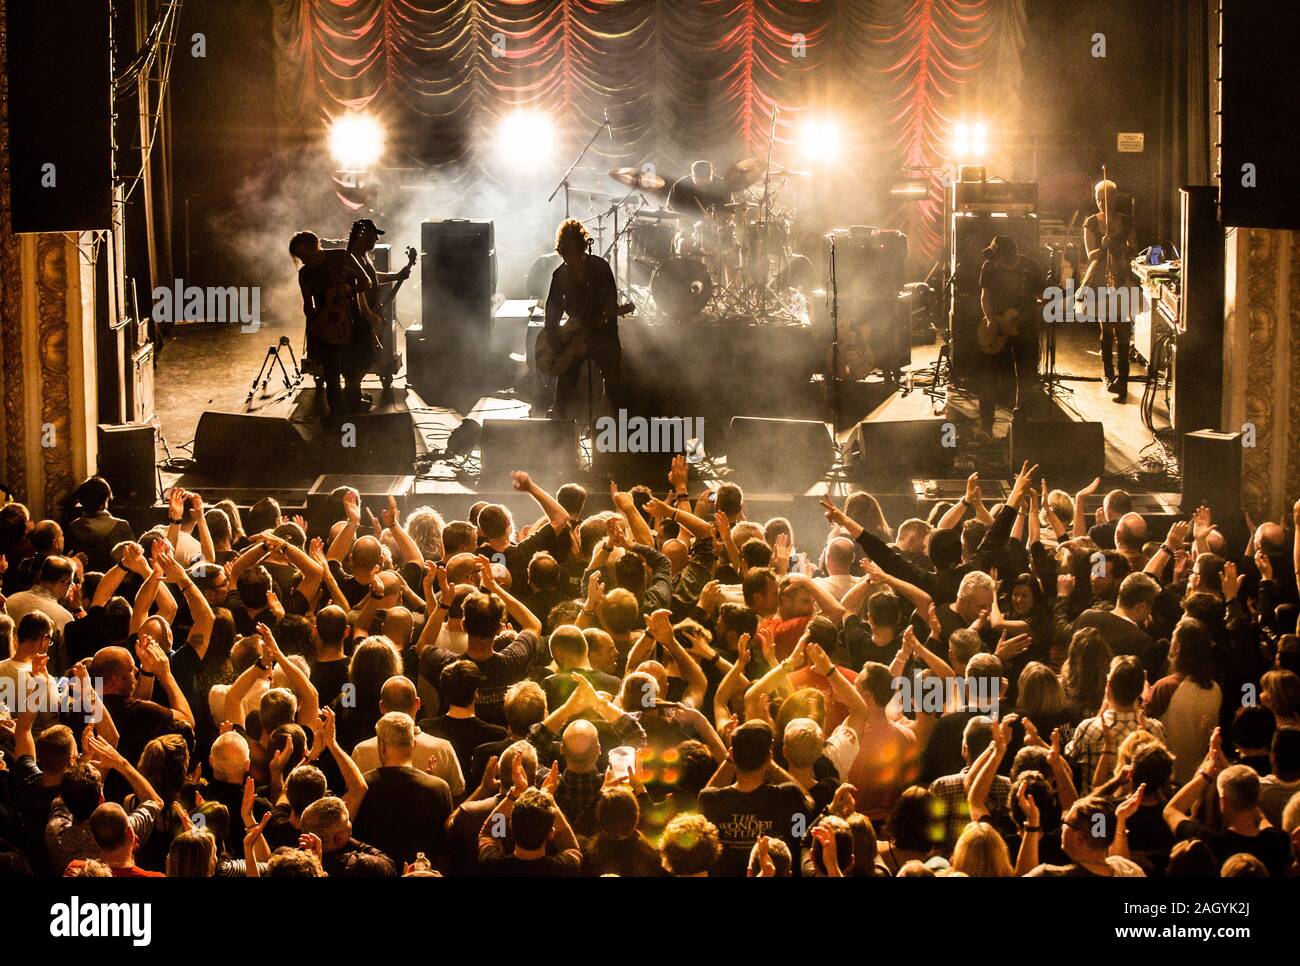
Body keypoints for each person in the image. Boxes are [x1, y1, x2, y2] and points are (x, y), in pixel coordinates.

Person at [543, 218, 623, 421]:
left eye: (574, 256)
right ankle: (559, 412)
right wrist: (555, 338)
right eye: (566, 256)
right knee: (566, 375)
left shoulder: (600, 268)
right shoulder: (560, 274)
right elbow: (552, 309)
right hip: (575, 333)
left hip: (601, 331)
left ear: (583, 248)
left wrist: (609, 335)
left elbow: (610, 305)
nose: (572, 262)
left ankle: (613, 415)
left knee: (613, 374)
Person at [289, 229, 374, 415]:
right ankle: (336, 413)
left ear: (315, 246)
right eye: (299, 256)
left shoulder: (341, 258)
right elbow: (307, 304)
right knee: (331, 372)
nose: (303, 260)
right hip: (326, 325)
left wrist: (348, 291)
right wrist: (316, 325)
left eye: (305, 254)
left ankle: (353, 407)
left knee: (353, 367)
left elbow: (366, 282)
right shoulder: (304, 274)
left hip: (350, 319)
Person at [975, 235, 1043, 439]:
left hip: (1024, 328)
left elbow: (1042, 297)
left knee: (1025, 375)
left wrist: (1032, 311)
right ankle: (986, 426)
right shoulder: (989, 266)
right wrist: (989, 319)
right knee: (988, 376)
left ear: (1009, 255)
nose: (994, 260)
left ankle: (1020, 422)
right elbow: (984, 296)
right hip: (995, 327)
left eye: (997, 256)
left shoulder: (1031, 268)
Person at [1080, 178, 1137, 401]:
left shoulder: (1126, 221)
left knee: (1123, 329)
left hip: (1122, 277)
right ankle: (1108, 374)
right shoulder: (1091, 223)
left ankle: (1122, 380)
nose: (1102, 204)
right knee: (1107, 330)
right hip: (1101, 279)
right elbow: (1090, 255)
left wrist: (1120, 243)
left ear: (1114, 199)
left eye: (1107, 200)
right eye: (1098, 200)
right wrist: (1103, 244)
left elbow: (1134, 249)